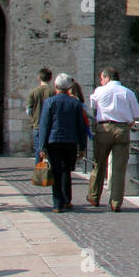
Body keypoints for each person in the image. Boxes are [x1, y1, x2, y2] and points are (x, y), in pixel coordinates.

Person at [87, 67, 139, 212]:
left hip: (103, 128)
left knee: (98, 163)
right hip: (122, 129)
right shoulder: (128, 92)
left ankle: (94, 196)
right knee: (119, 167)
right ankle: (116, 202)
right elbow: (136, 114)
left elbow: (93, 105)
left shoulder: (100, 91)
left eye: (101, 78)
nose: (101, 81)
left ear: (106, 77)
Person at [37, 75, 89, 213]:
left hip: (53, 141)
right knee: (66, 170)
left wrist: (41, 146)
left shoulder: (49, 102)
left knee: (56, 171)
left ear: (56, 86)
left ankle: (57, 204)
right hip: (70, 141)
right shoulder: (75, 103)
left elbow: (44, 125)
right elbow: (81, 126)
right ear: (68, 88)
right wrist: (82, 146)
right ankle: (67, 200)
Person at [25, 68, 53, 158]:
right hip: (51, 126)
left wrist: (34, 117)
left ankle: (39, 171)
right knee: (51, 153)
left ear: (39, 78)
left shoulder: (33, 92)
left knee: (38, 152)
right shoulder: (54, 92)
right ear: (51, 78)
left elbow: (28, 110)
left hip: (37, 124)